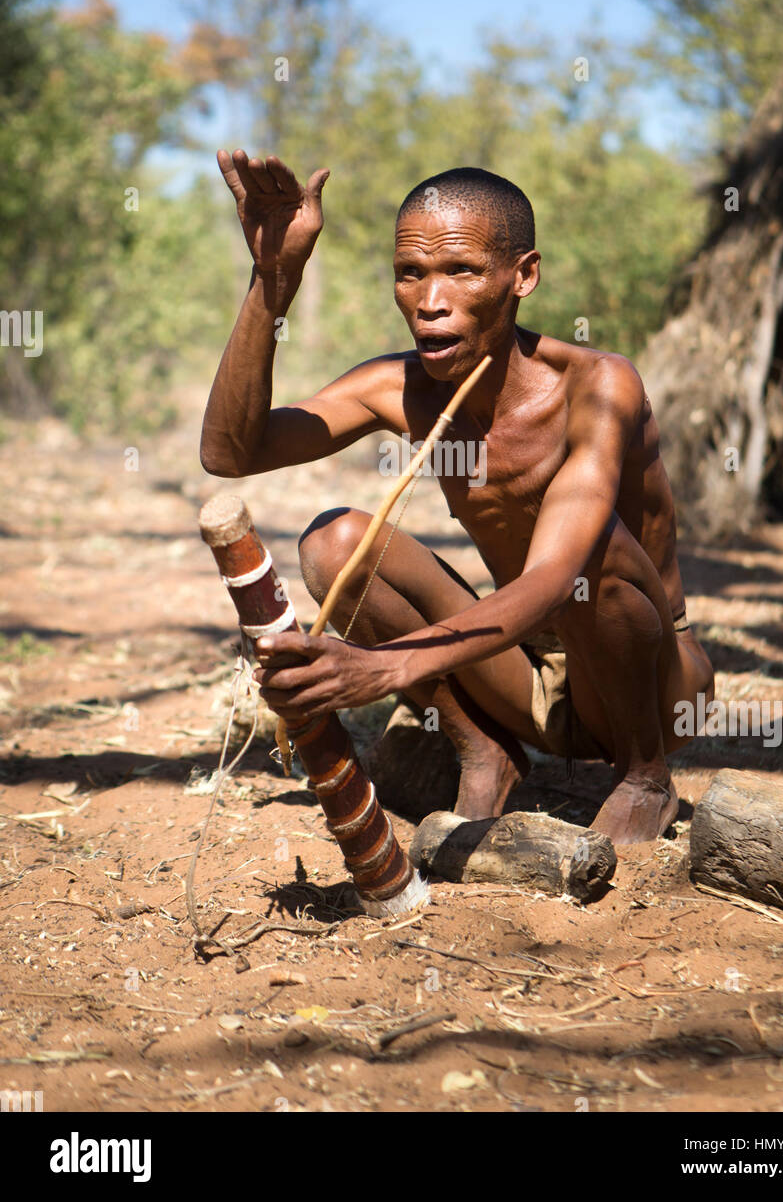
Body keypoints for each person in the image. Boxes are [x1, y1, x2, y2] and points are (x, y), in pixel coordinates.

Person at [201, 149, 714, 844]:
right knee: (335, 541)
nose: (431, 299)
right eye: (410, 273)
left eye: (461, 271)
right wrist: (273, 281)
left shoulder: (599, 385)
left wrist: (384, 668)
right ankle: (486, 750)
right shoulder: (404, 386)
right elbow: (230, 452)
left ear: (521, 276)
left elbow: (557, 577)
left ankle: (644, 778)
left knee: (596, 560)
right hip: (522, 672)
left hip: (653, 687)